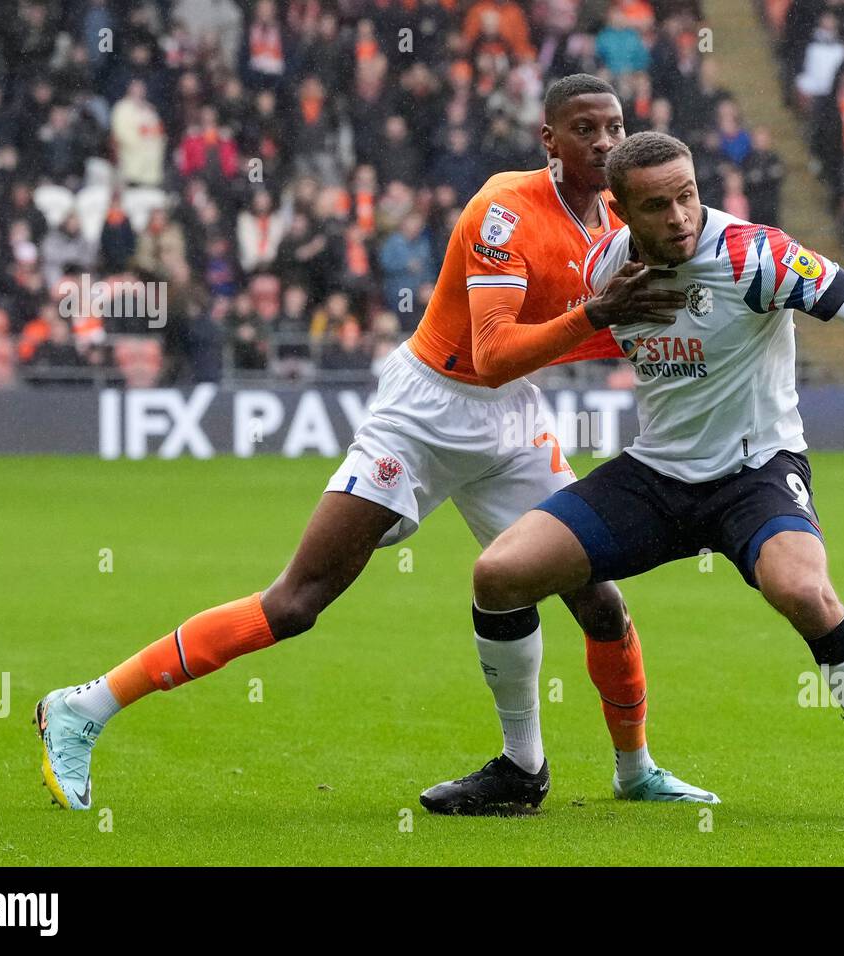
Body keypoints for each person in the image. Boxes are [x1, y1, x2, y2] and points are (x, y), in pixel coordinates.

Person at [35, 76, 717, 814]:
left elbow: (567, 343)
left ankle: (626, 770)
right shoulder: (502, 211)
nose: (606, 141)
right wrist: (597, 317)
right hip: (426, 413)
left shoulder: (620, 220)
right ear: (549, 141)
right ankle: (84, 706)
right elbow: (491, 352)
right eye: (585, 128)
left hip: (513, 419)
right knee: (296, 602)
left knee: (599, 602)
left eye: (614, 125)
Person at [423, 132, 844, 820]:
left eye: (688, 196)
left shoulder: (757, 256)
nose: (679, 217)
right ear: (620, 210)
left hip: (754, 473)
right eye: (658, 205)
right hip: (657, 474)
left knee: (805, 592)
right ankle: (522, 769)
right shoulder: (606, 269)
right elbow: (545, 337)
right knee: (498, 575)